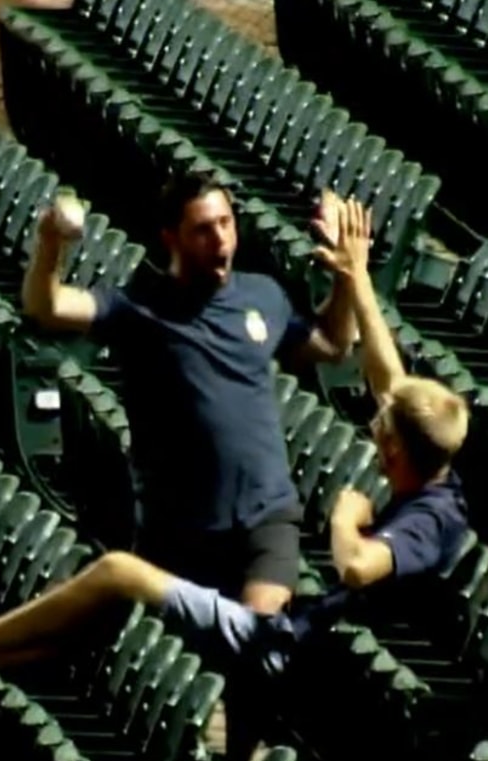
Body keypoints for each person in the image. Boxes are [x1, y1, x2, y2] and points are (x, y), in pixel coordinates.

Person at [0, 198, 472, 728]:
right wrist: (358, 276)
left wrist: (347, 515)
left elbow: (358, 566)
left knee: (117, 575)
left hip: (279, 645)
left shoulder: (432, 519)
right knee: (104, 607)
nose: (372, 425)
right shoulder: (429, 458)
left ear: (397, 450)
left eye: (380, 430)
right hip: (282, 631)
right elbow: (390, 382)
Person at [23, 174, 359, 617]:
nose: (219, 239)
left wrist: (348, 275)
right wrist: (50, 241)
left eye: (225, 223)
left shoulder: (264, 296)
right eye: (203, 229)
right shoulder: (139, 308)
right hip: (179, 534)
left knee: (255, 633)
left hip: (266, 517)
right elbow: (46, 306)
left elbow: (333, 344)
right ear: (171, 238)